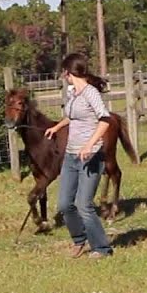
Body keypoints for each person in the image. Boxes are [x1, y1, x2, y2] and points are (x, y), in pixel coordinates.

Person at [44, 53, 114, 258]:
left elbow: (105, 120)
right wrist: (56, 127)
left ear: (67, 72)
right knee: (65, 205)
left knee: (84, 205)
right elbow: (72, 116)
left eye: (63, 72)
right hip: (71, 157)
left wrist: (89, 145)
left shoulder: (91, 93)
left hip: (90, 157)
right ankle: (79, 239)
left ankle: (101, 248)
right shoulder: (73, 93)